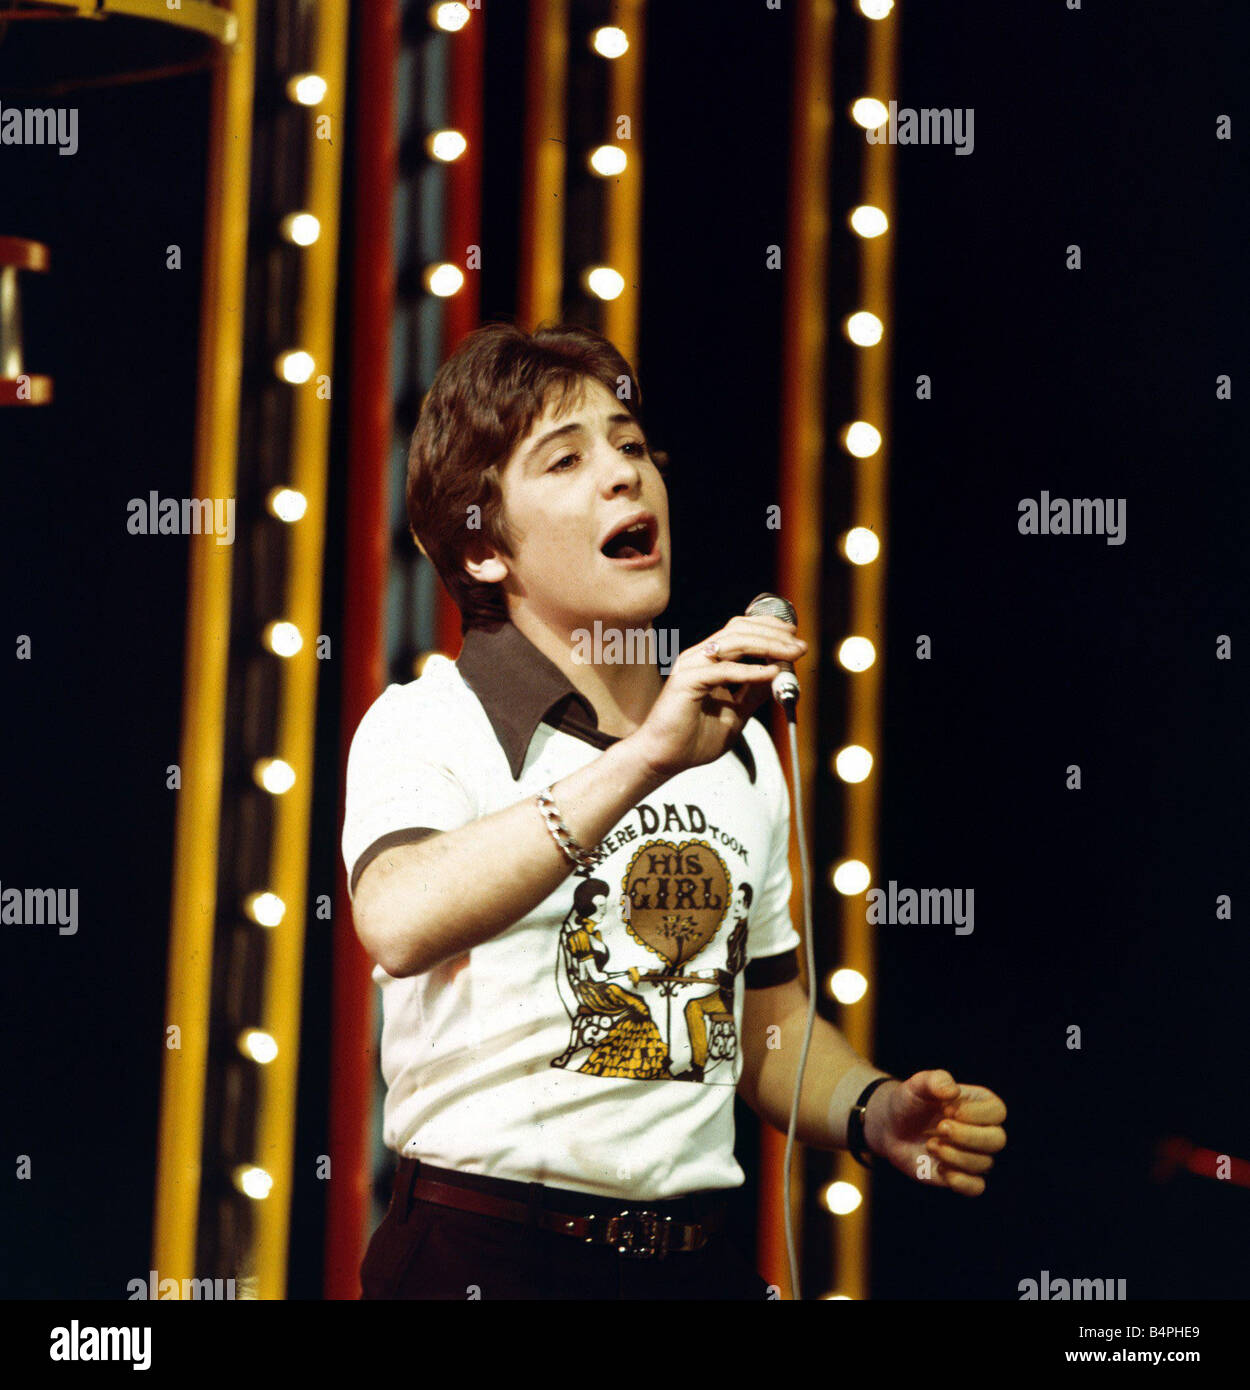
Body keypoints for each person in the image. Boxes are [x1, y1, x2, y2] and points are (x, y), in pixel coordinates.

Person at [341, 321, 1007, 1300]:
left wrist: (869, 1107)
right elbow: (397, 918)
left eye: (629, 443)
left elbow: (764, 1022)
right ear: (484, 550)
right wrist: (644, 759)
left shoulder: (734, 746)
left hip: (691, 1261)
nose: (623, 474)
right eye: (564, 459)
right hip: (483, 1256)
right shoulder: (430, 718)